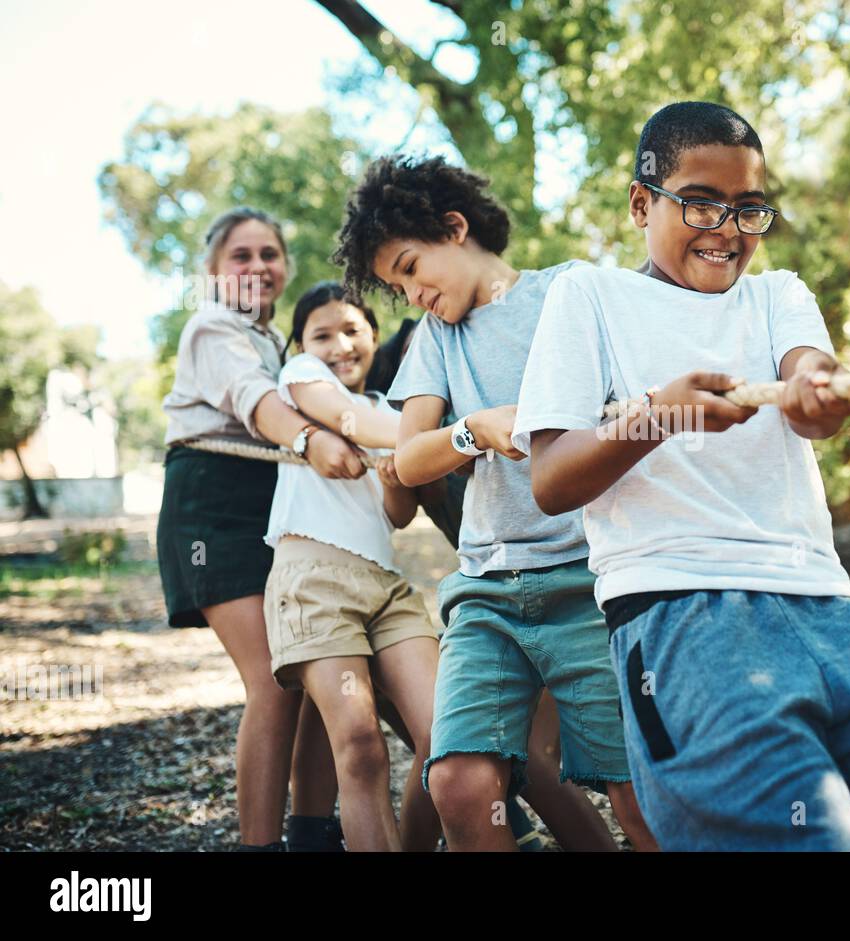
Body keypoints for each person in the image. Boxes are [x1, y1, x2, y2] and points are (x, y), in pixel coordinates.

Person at [513, 101, 850, 851]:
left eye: (749, 209)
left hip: (832, 609)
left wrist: (822, 385)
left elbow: (814, 393)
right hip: (683, 617)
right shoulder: (588, 297)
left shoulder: (778, 292)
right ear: (639, 202)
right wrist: (661, 416)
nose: (727, 229)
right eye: (702, 202)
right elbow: (552, 479)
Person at [332, 155, 656, 851]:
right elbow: (410, 458)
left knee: (635, 789)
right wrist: (472, 428)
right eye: (396, 286)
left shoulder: (569, 291)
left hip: (588, 580)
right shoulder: (436, 340)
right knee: (458, 782)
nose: (411, 294)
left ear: (456, 228)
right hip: (486, 591)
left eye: (412, 269)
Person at [157, 207, 366, 851]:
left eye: (268, 254)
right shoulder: (212, 327)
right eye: (240, 256)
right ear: (214, 272)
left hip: (274, 510)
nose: (256, 267)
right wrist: (308, 439)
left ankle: (310, 832)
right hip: (211, 507)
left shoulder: (282, 344)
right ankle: (258, 845)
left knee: (307, 672)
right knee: (273, 682)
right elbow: (257, 403)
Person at [261, 282, 441, 850]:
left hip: (386, 588)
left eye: (352, 330)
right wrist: (449, 436)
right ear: (301, 345)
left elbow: (399, 515)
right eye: (323, 334)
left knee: (447, 739)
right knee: (361, 746)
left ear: (374, 336)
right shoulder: (300, 381)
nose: (340, 344)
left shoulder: (392, 412)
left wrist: (396, 475)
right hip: (313, 580)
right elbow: (346, 417)